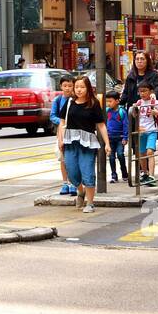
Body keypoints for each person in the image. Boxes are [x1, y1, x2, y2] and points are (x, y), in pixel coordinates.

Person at [56, 76, 111, 213]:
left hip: (88, 143)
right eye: (77, 87)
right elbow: (62, 122)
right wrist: (61, 139)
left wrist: (107, 144)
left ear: (88, 88)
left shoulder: (93, 103)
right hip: (70, 142)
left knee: (88, 173)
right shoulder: (69, 102)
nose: (79, 90)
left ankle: (90, 203)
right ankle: (81, 191)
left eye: (82, 87)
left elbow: (101, 125)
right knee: (73, 173)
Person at [132, 82, 158, 186]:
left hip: (152, 131)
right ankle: (144, 173)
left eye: (145, 91)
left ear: (150, 91)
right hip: (141, 131)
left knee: (150, 152)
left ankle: (151, 175)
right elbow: (134, 116)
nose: (142, 93)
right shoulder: (139, 103)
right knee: (142, 153)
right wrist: (133, 110)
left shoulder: (155, 102)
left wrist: (156, 113)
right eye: (140, 91)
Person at [50, 74, 77, 196]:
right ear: (61, 86)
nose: (67, 88)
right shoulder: (58, 100)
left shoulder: (76, 99)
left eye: (70, 85)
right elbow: (53, 116)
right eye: (65, 85)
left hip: (74, 133)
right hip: (61, 133)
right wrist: (62, 121)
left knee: (73, 159)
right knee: (62, 159)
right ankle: (65, 183)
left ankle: (73, 183)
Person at [104, 90, 129, 183]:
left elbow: (126, 125)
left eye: (110, 101)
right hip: (110, 138)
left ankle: (124, 172)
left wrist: (125, 137)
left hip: (120, 138)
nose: (108, 103)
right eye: (107, 101)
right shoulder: (107, 111)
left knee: (120, 155)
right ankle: (114, 175)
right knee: (111, 157)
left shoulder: (122, 112)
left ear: (117, 101)